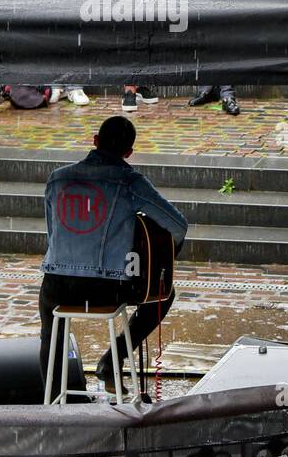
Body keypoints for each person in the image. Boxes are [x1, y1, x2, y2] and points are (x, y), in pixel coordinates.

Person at [39, 115, 187, 396]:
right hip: (107, 289)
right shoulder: (130, 182)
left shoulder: (57, 179)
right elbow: (178, 227)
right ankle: (114, 356)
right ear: (129, 152)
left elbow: (52, 232)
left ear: (95, 141)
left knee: (50, 331)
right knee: (164, 294)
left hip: (57, 285)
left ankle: (53, 394)